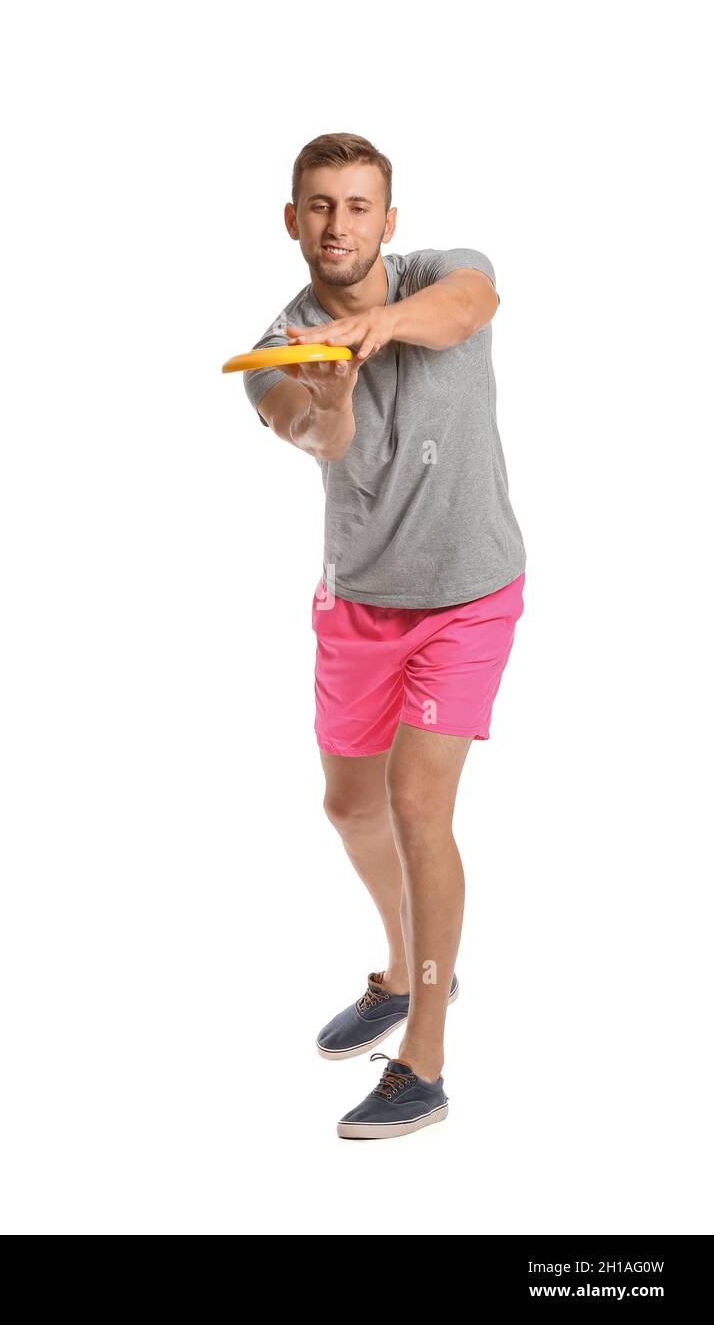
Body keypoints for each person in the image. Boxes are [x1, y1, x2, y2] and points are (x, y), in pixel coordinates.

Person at [241, 132, 527, 1140]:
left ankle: (425, 1064)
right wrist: (326, 403)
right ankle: (405, 971)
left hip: (466, 594)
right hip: (356, 599)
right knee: (347, 803)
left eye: (357, 206)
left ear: (387, 222)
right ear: (292, 219)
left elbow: (467, 309)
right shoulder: (278, 344)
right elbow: (309, 433)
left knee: (413, 804)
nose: (337, 225)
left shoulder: (448, 273)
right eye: (319, 206)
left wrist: (384, 330)